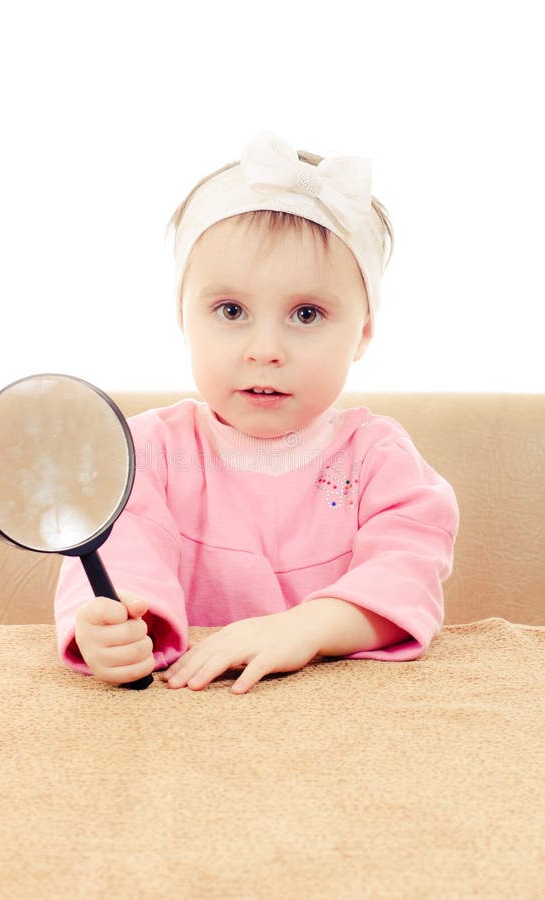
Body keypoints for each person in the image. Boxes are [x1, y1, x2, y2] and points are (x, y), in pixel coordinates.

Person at [54, 130, 459, 694]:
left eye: (307, 314)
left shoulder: (378, 458)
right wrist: (112, 629)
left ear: (362, 332)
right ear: (183, 318)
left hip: (339, 726)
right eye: (231, 309)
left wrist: (309, 628)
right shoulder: (145, 451)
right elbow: (121, 554)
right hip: (187, 723)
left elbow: (407, 569)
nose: (265, 348)